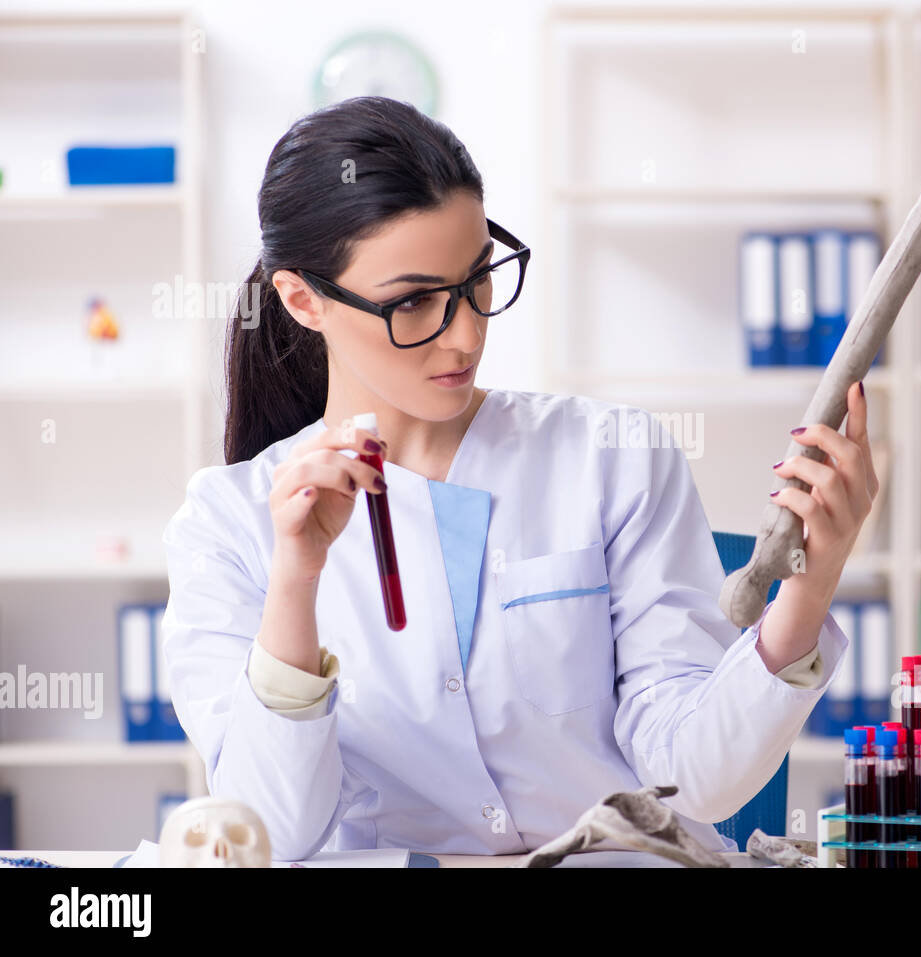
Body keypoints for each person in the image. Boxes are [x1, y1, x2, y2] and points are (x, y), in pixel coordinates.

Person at [161, 96, 879, 860]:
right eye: (415, 302)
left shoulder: (611, 455)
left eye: (478, 280)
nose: (467, 332)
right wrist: (297, 580)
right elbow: (270, 830)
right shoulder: (228, 523)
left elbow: (695, 778)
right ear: (303, 298)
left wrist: (807, 590)